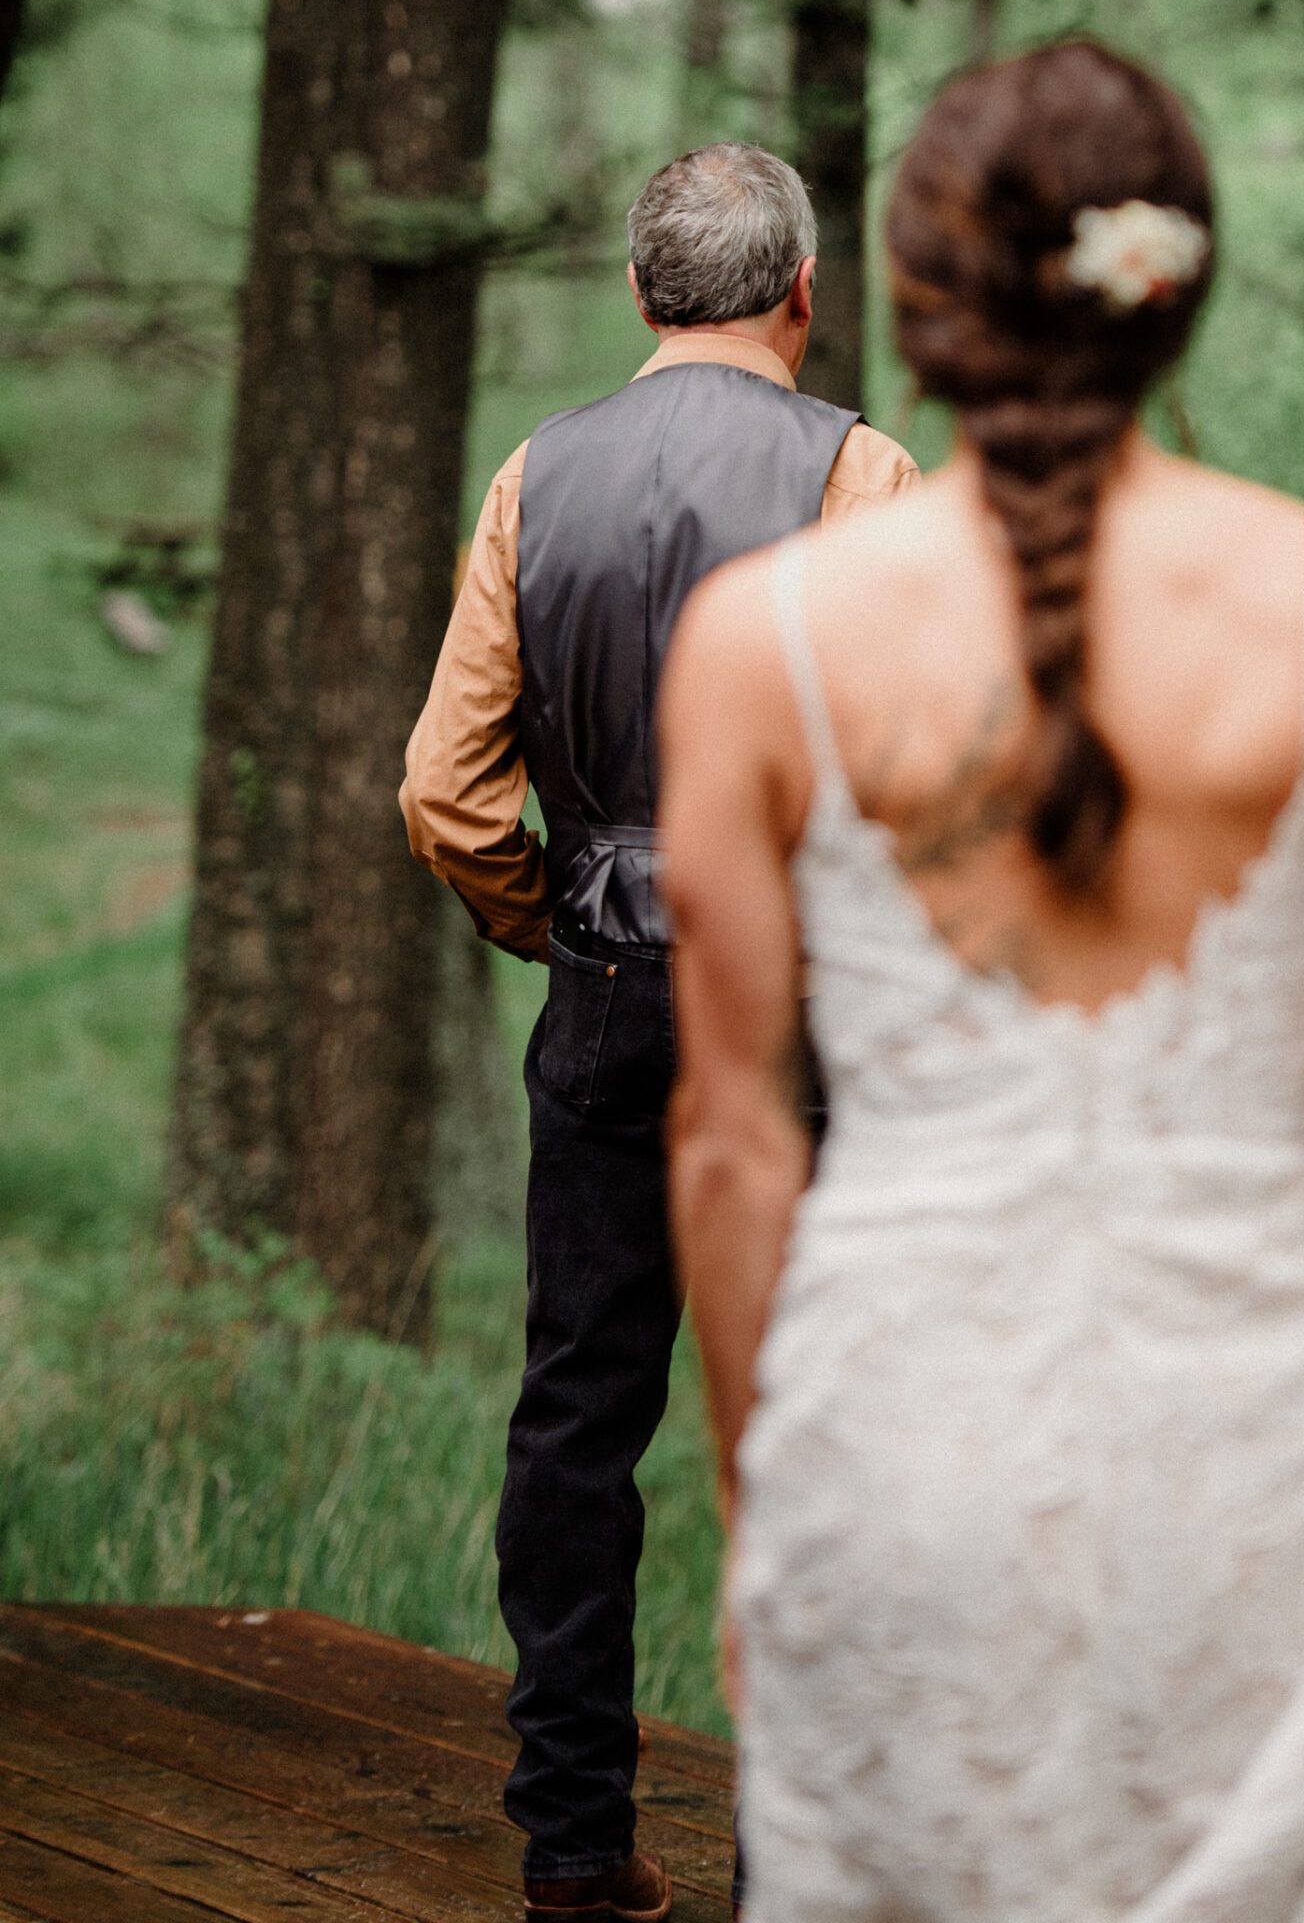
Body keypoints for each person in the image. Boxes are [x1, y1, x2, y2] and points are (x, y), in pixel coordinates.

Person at [660, 42, 1304, 1923]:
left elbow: (731, 1145)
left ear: (914, 304)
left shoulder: (764, 639)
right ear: (1171, 289)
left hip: (899, 1429)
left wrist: (759, 1513)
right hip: (1257, 1442)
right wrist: (1293, 1069)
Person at [400, 141, 918, 1923]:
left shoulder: (537, 474)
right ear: (797, 293)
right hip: (800, 1020)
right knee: (812, 1429)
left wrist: (561, 923)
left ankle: (570, 1848)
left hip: (610, 999)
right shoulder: (862, 474)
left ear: (638, 296)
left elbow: (443, 794)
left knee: (577, 1420)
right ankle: (797, 1863)